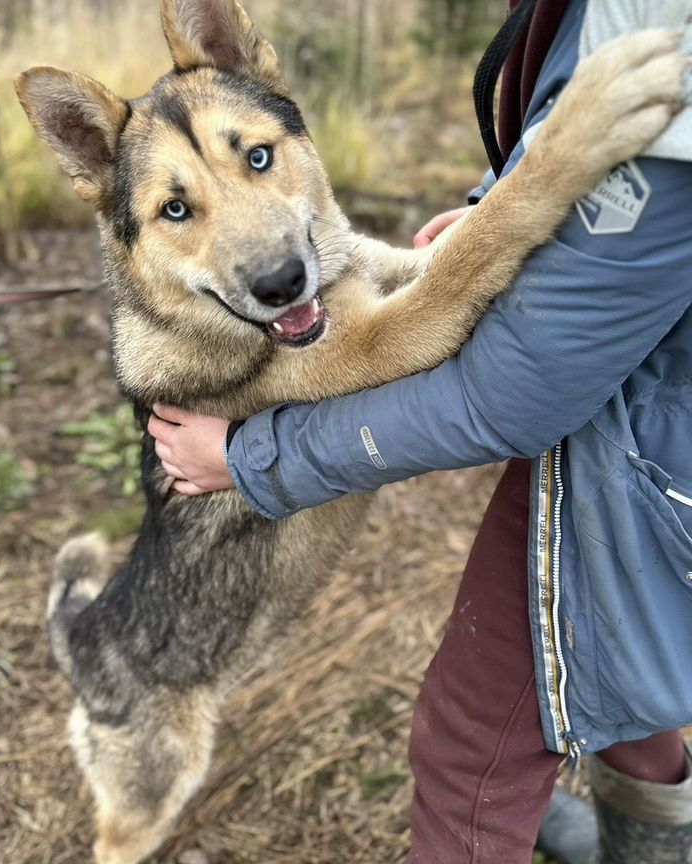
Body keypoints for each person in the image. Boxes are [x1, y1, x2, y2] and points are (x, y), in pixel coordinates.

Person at [148, 1, 692, 861]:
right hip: (632, 408)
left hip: (649, 449)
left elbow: (499, 392)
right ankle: (655, 846)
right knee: (604, 625)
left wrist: (250, 457)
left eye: (257, 157)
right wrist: (493, 206)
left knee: (469, 752)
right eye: (181, 209)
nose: (272, 262)